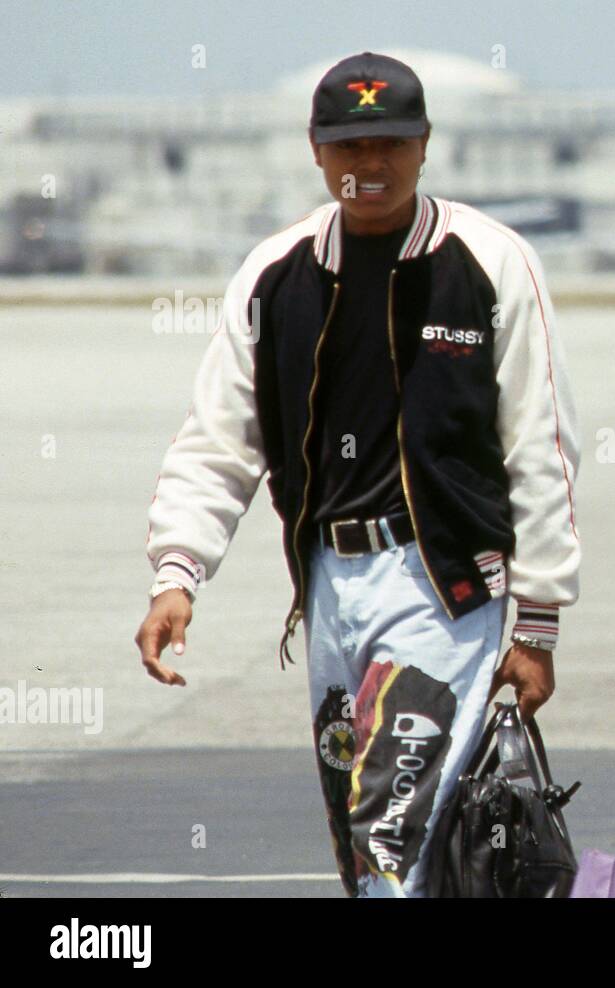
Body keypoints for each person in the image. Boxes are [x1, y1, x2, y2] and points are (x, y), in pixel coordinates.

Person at [133, 52, 581, 898]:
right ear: (315, 148)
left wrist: (540, 617)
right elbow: (220, 437)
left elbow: (542, 443)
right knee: (364, 849)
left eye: (389, 144)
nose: (368, 165)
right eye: (349, 146)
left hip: (445, 590)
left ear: (424, 146)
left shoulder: (490, 262)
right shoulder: (276, 273)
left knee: (391, 837)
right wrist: (177, 571)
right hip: (330, 591)